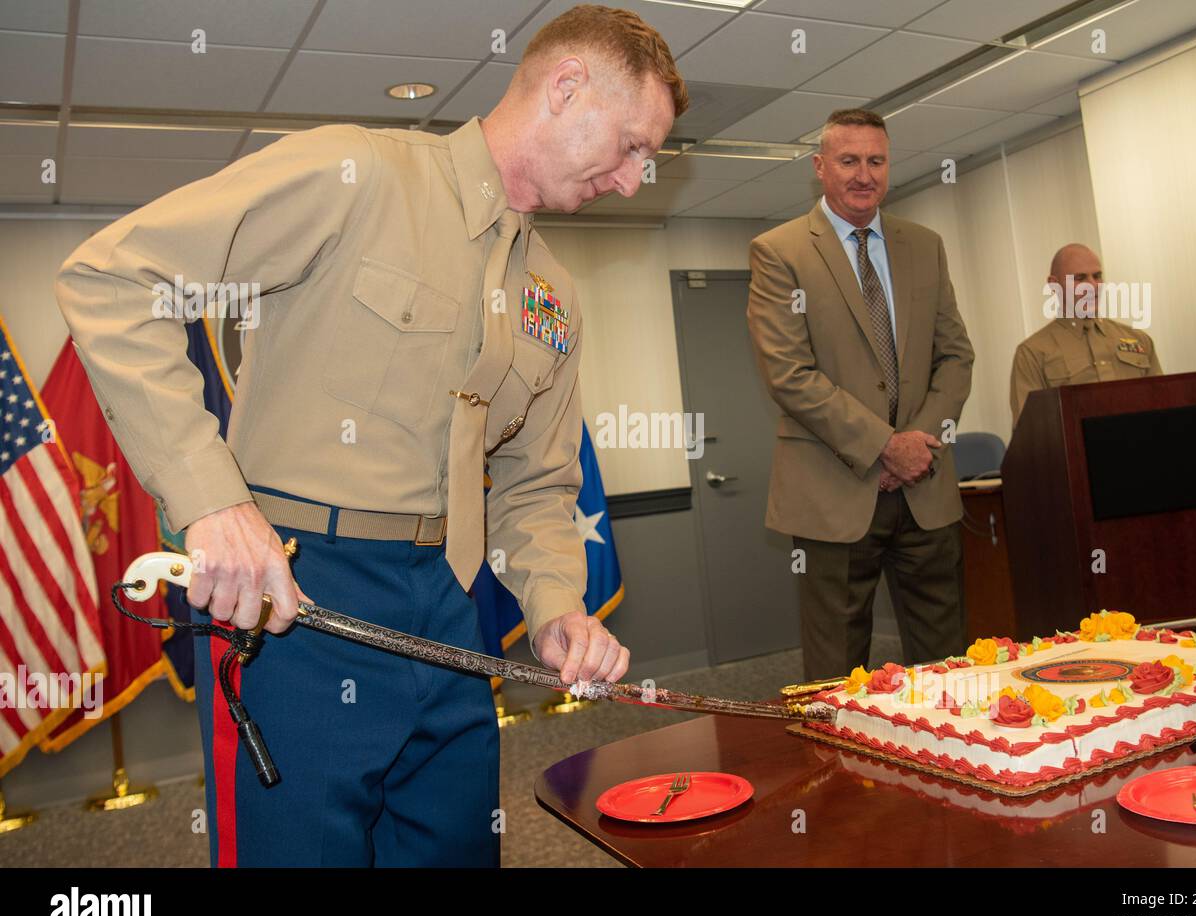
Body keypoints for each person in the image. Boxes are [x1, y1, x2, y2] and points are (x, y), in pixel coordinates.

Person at [54, 4, 687, 867]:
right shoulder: (359, 175)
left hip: (451, 606)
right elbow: (112, 279)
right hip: (299, 601)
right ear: (567, 87)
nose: (634, 180)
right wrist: (210, 501)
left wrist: (555, 608)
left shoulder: (554, 294)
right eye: (633, 145)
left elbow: (537, 483)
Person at [746, 108, 974, 681]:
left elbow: (955, 356)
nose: (864, 174)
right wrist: (885, 447)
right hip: (832, 496)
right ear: (820, 167)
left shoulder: (925, 246)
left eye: (877, 161)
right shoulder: (780, 251)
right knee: (836, 675)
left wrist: (915, 446)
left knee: (947, 666)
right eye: (849, 160)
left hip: (925, 489)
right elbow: (790, 374)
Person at [1010, 243, 1161, 426]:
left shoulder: (1139, 340)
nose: (1092, 286)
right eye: (1080, 278)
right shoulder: (1032, 353)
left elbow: (1163, 407)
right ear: (1054, 285)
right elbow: (1032, 432)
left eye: (1097, 276)